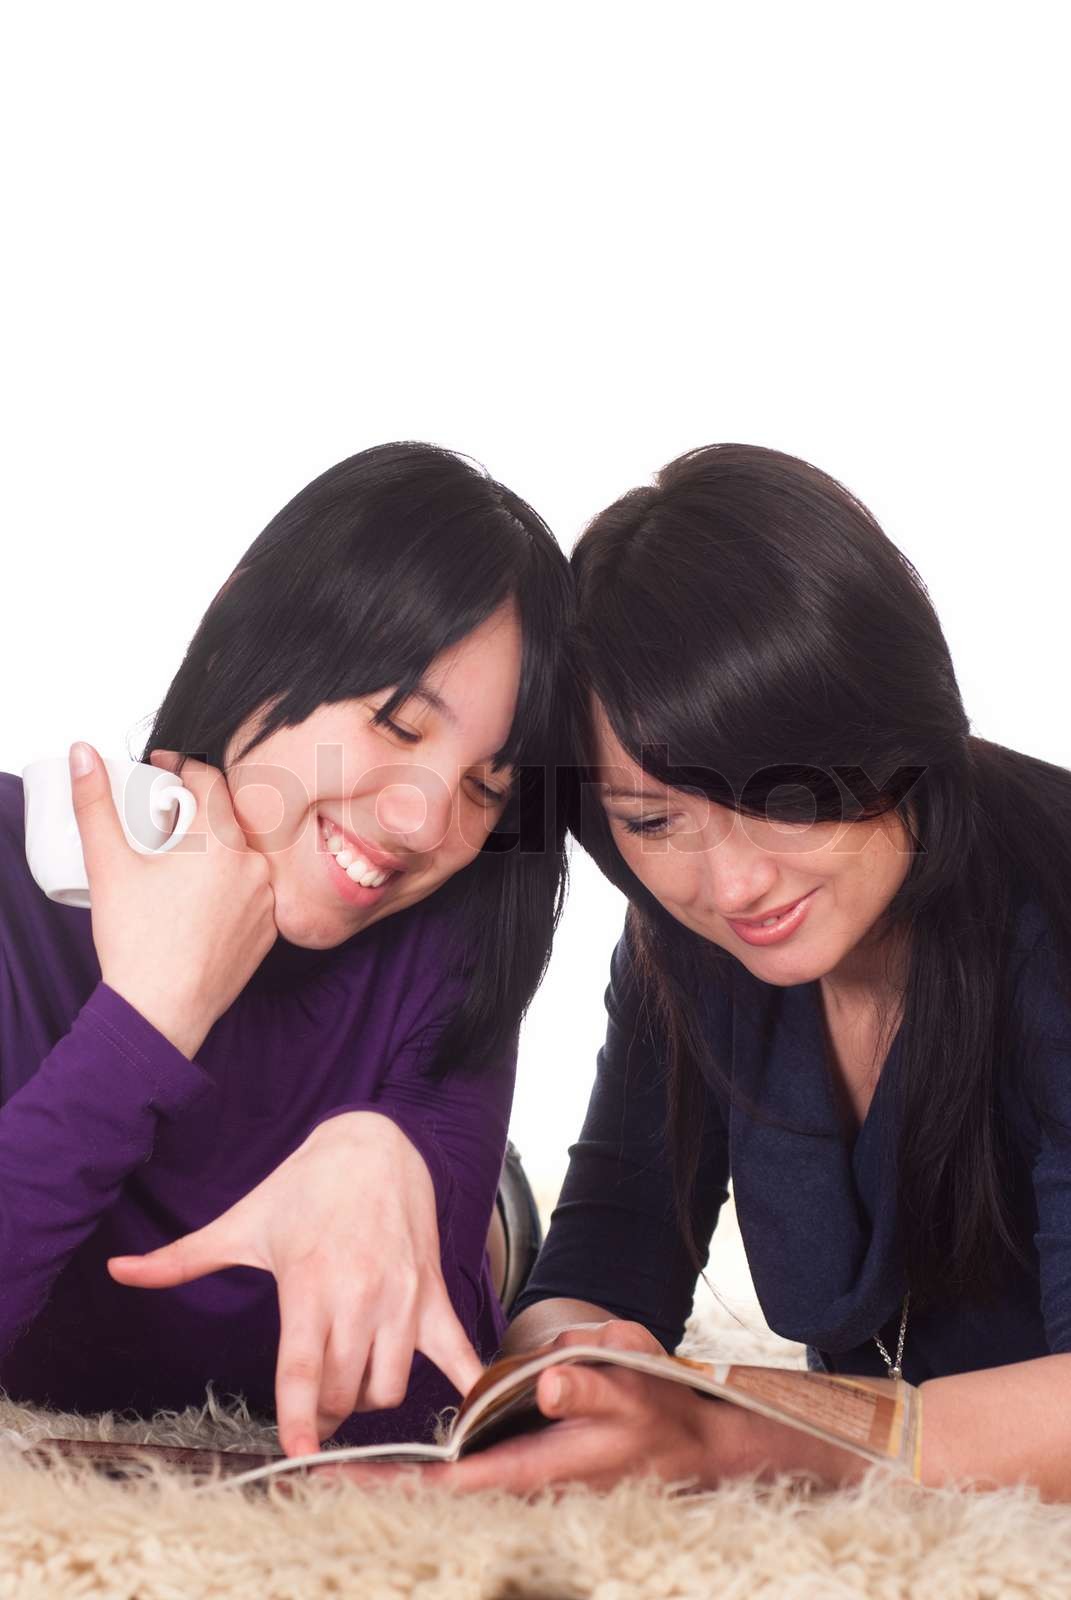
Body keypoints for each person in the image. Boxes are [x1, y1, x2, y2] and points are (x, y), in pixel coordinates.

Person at [430, 443, 1071, 1501]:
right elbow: (605, 1254)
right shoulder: (686, 949)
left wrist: (736, 1437)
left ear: (892, 722)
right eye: (652, 820)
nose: (731, 884)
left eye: (775, 792)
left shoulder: (1048, 907)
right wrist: (575, 1381)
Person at [0, 441, 573, 1457]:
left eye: (488, 786)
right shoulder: (15, 876)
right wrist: (149, 1018)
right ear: (243, 631)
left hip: (498, 1219)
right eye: (397, 723)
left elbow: (416, 1424)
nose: (425, 819)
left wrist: (387, 1160)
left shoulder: (447, 940)